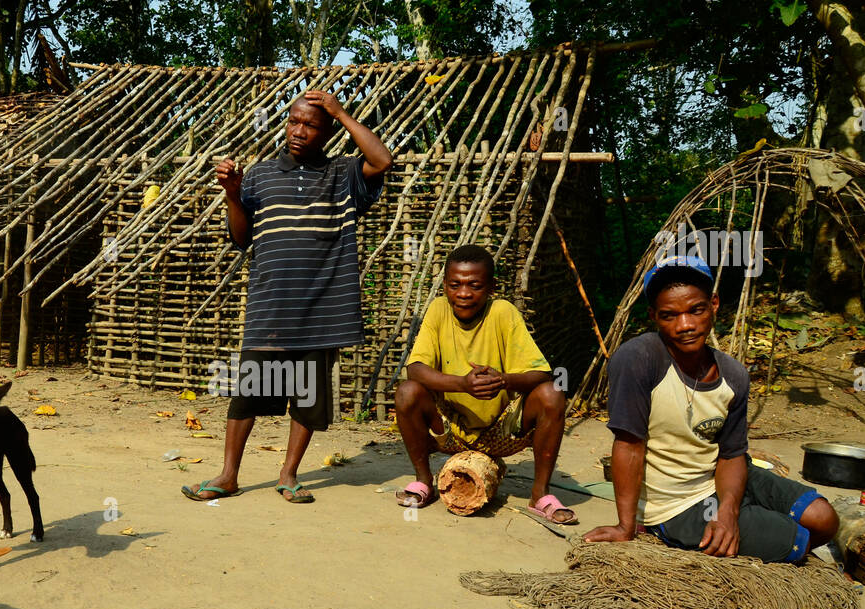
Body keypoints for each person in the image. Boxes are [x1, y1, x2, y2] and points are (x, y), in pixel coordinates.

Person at [181, 90, 392, 504]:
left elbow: (383, 161)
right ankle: (228, 475)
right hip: (270, 306)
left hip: (322, 308)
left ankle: (289, 474)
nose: (299, 131)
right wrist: (232, 193)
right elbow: (241, 239)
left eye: (311, 125)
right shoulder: (259, 175)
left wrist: (340, 111)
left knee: (308, 398)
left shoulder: (343, 174)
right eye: (294, 121)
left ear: (328, 130)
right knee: (248, 393)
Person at [584, 255, 839, 561]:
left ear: (714, 304)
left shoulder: (733, 375)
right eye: (669, 316)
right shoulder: (639, 359)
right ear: (653, 316)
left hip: (720, 478)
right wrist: (626, 526)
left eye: (696, 310)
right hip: (674, 504)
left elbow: (731, 454)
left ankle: (746, 515)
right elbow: (629, 445)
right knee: (796, 540)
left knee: (824, 519)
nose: (685, 325)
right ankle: (670, 529)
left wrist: (728, 511)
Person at [394, 245, 574, 522]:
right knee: (407, 393)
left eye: (474, 285)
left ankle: (540, 494)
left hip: (502, 430)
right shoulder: (439, 310)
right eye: (455, 285)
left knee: (552, 394)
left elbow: (541, 374)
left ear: (491, 287)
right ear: (445, 285)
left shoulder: (503, 312)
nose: (464, 293)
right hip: (450, 428)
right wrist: (462, 384)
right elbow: (415, 370)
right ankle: (423, 481)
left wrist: (503, 380)